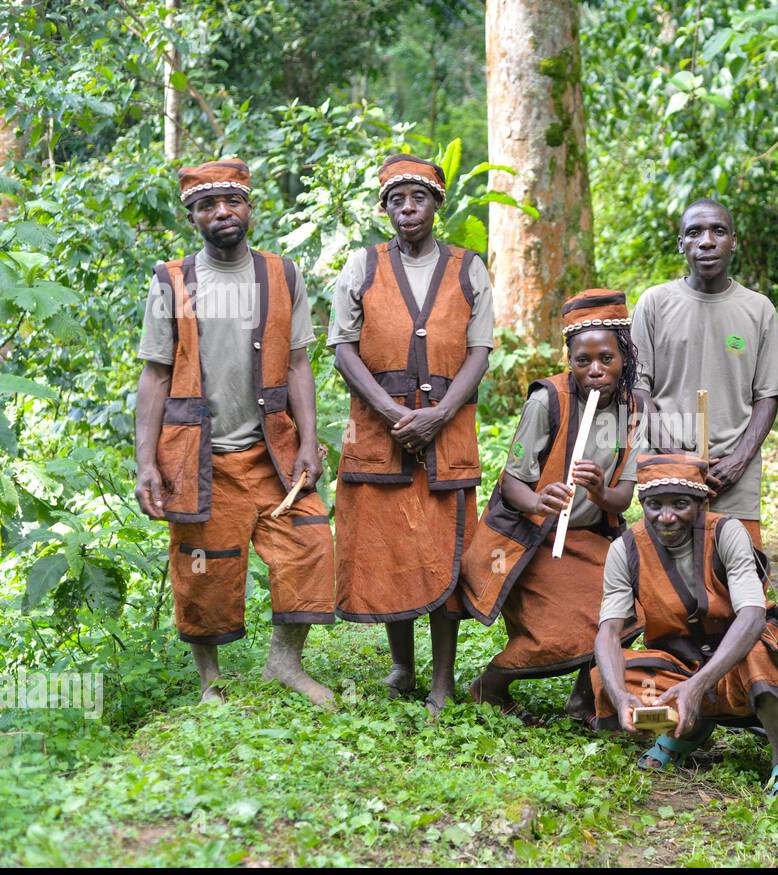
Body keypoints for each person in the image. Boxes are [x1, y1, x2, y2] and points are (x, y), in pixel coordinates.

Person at [134, 157, 335, 707]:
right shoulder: (172, 281)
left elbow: (297, 363)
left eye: (231, 202)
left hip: (272, 454)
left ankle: (284, 665)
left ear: (249, 207)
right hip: (200, 457)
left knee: (310, 545)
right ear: (193, 218)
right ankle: (211, 684)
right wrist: (147, 462)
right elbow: (155, 373)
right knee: (204, 569)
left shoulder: (281, 274)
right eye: (206, 206)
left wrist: (308, 442)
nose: (221, 213)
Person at [328, 153, 492, 717]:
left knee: (442, 550)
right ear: (385, 209)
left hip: (446, 438)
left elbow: (479, 352)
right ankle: (403, 665)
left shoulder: (468, 268)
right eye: (396, 200)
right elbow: (342, 349)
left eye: (418, 198)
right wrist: (390, 411)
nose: (407, 209)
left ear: (436, 205)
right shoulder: (362, 266)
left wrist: (440, 413)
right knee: (390, 547)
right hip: (379, 436)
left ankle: (442, 681)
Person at [460, 289, 643, 726]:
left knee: (631, 605)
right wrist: (540, 500)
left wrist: (599, 492)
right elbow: (511, 482)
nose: (595, 370)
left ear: (624, 357)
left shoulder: (632, 410)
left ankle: (583, 698)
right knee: (558, 629)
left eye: (606, 359)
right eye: (583, 361)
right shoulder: (549, 400)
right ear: (570, 360)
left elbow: (624, 498)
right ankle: (491, 684)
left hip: (591, 540)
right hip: (532, 542)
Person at [590, 454, 778, 799]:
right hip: (682, 661)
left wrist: (698, 685)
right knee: (613, 675)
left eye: (680, 504)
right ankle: (689, 730)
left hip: (737, 655)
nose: (666, 517)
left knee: (757, 652)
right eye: (654, 505)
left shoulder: (726, 532)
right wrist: (619, 696)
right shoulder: (625, 548)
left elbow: (751, 617)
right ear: (642, 505)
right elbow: (609, 632)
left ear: (701, 503)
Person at [630, 199, 778, 547]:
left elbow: (767, 395)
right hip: (666, 465)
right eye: (694, 232)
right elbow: (639, 389)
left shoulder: (758, 309)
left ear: (734, 240)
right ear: (681, 243)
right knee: (669, 579)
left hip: (733, 474)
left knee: (741, 574)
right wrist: (676, 456)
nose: (706, 241)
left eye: (718, 231)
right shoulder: (654, 303)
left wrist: (738, 459)